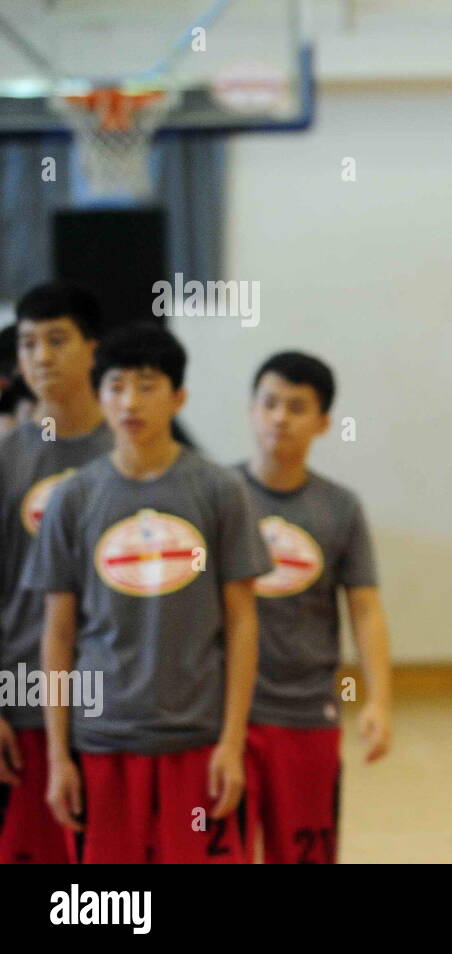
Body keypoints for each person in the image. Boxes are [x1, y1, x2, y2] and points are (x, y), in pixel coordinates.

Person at [25, 322, 271, 863]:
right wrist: (58, 756)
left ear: (178, 396)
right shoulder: (73, 498)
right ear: (99, 394)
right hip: (102, 745)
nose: (129, 401)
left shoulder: (220, 490)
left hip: (199, 743)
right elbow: (59, 632)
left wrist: (232, 744)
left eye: (147, 385)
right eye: (115, 386)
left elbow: (243, 620)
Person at [237, 351, 392, 864]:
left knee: (305, 853)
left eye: (297, 406)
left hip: (307, 714)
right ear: (252, 409)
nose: (280, 416)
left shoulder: (340, 508)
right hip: (221, 716)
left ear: (323, 422)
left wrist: (379, 701)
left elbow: (365, 609)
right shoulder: (216, 495)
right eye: (270, 402)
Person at [0, 282, 111, 864]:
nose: (40, 356)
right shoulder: (5, 459)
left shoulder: (129, 454)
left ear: (92, 348)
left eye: (57, 340)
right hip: (21, 705)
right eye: (27, 343)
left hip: (117, 710)